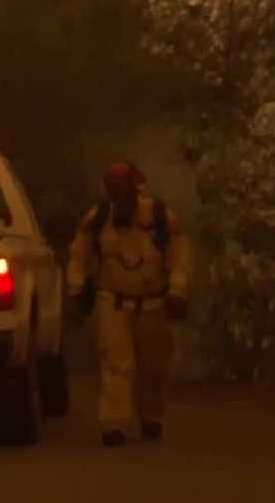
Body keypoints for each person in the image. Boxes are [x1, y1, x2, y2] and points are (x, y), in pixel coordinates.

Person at [66, 160, 191, 447]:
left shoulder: (161, 217)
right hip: (113, 302)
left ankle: (152, 417)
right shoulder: (97, 218)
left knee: (153, 367)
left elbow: (179, 255)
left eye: (124, 192)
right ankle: (114, 424)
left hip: (154, 304)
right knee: (115, 365)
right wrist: (76, 292)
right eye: (114, 193)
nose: (120, 200)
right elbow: (78, 257)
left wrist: (178, 290)